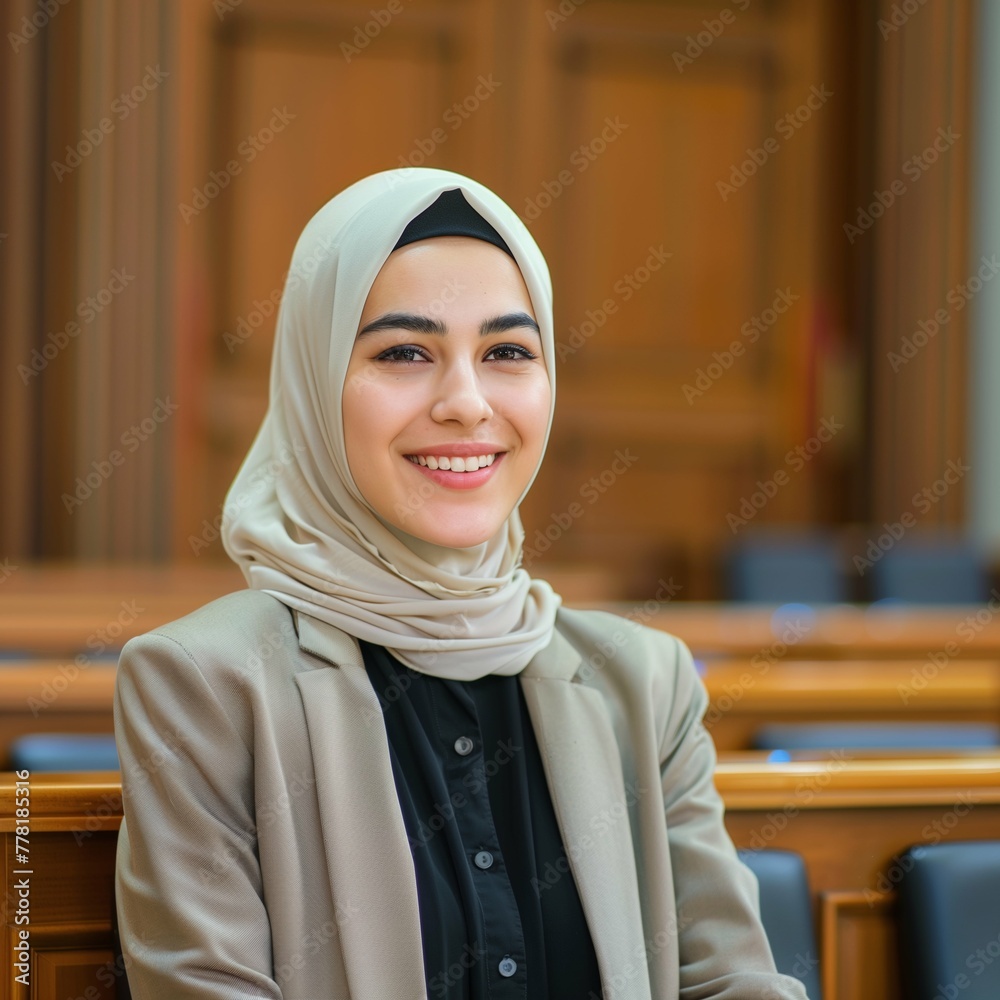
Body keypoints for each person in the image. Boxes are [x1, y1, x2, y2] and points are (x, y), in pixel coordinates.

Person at [113, 167, 810, 999]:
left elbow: (732, 981)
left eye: (507, 352)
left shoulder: (643, 682)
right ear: (313, 381)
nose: (467, 403)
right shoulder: (207, 683)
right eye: (405, 353)